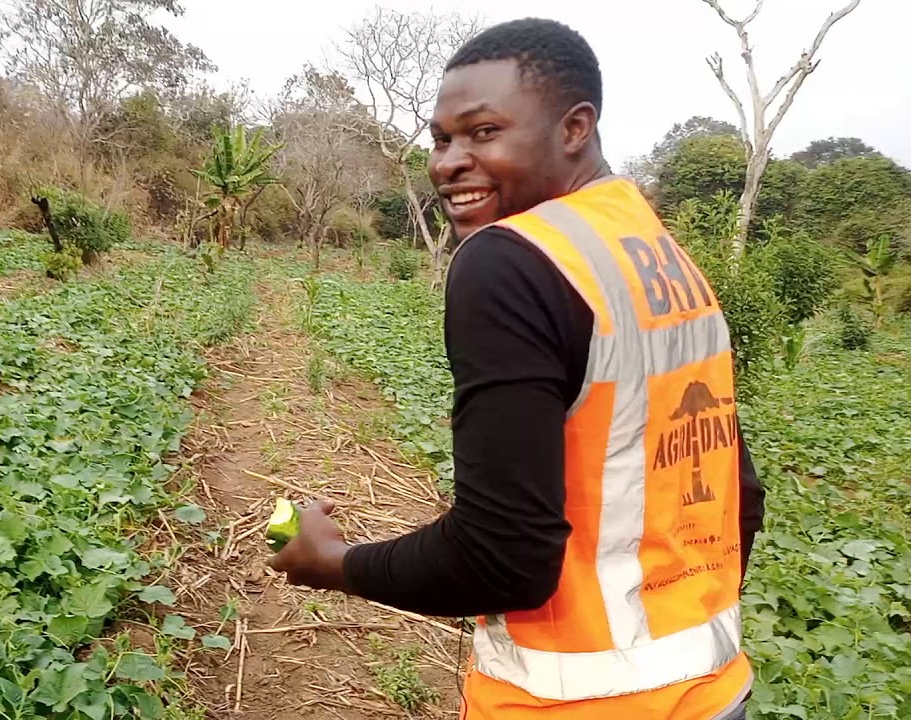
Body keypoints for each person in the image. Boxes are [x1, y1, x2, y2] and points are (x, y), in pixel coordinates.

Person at [268, 17, 766, 720]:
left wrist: (334, 563)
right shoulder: (657, 253)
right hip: (715, 691)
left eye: (483, 131)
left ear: (574, 127)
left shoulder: (510, 259)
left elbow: (504, 558)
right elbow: (737, 493)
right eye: (441, 139)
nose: (447, 162)